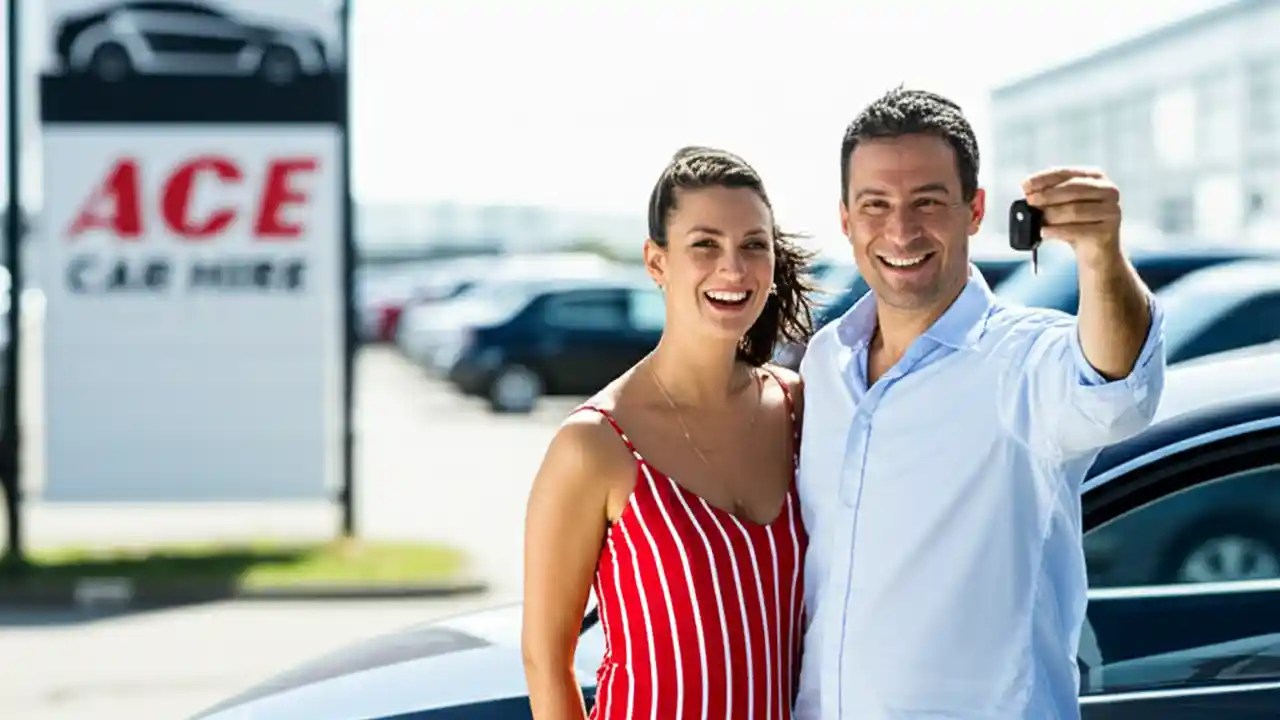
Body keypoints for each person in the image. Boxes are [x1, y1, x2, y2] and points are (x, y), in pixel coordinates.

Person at [794, 87, 1166, 719]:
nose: (901, 229)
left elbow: (1115, 390)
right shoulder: (825, 361)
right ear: (846, 219)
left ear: (975, 210)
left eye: (928, 202)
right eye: (875, 204)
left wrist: (1100, 255)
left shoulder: (1021, 363)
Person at [522, 145, 816, 720]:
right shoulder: (595, 444)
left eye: (753, 245)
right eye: (705, 245)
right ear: (657, 263)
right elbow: (544, 660)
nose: (733, 268)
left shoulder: (801, 409)